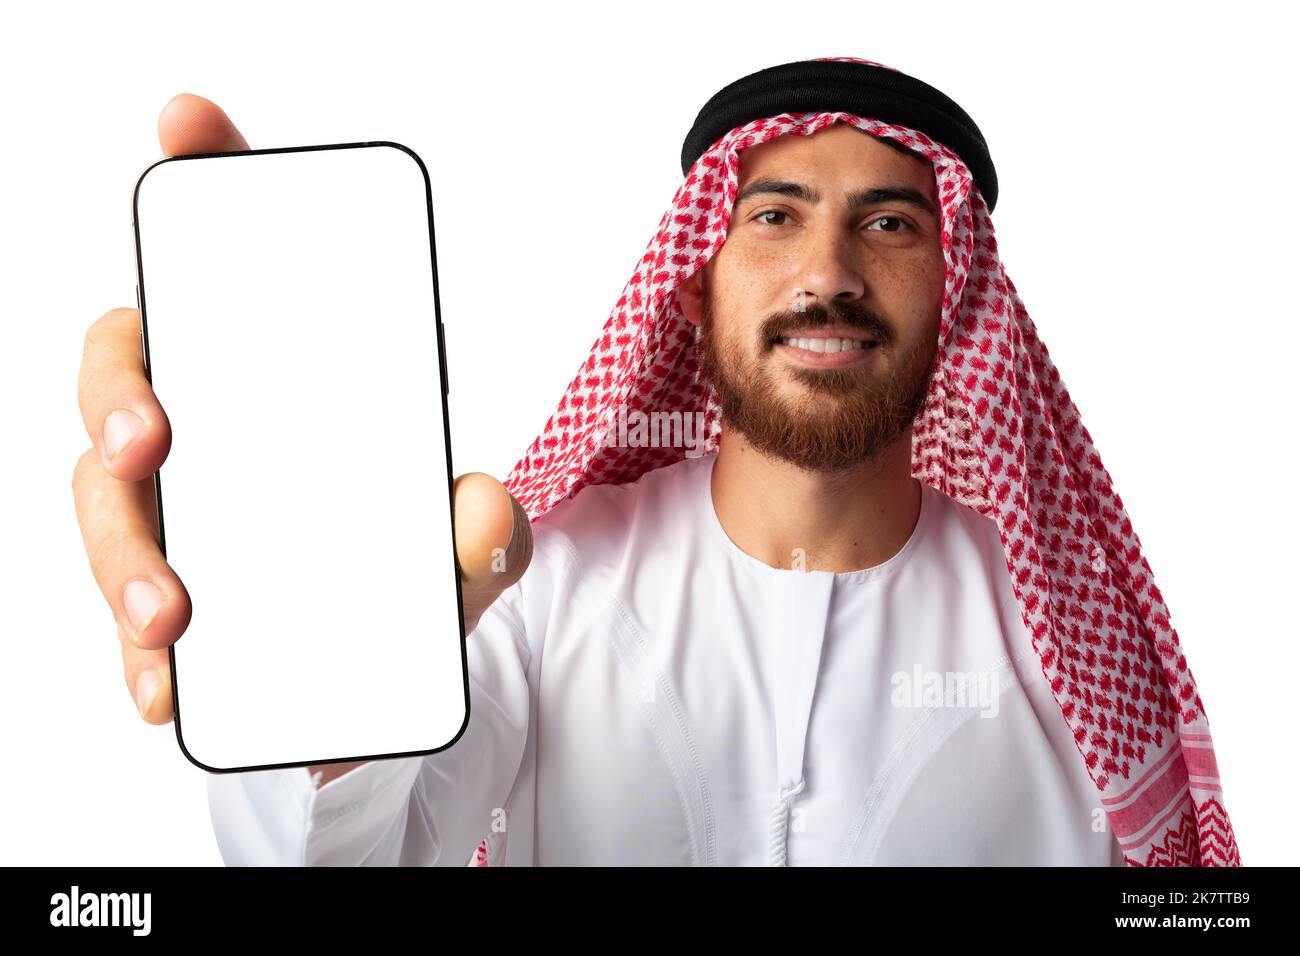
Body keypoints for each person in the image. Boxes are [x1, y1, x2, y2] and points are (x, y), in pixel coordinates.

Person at [73, 57, 1240, 867]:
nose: (826, 270)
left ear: (960, 296)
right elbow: (330, 861)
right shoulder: (536, 592)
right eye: (773, 216)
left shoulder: (1066, 645)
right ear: (693, 283)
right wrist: (304, 637)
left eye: (890, 224)